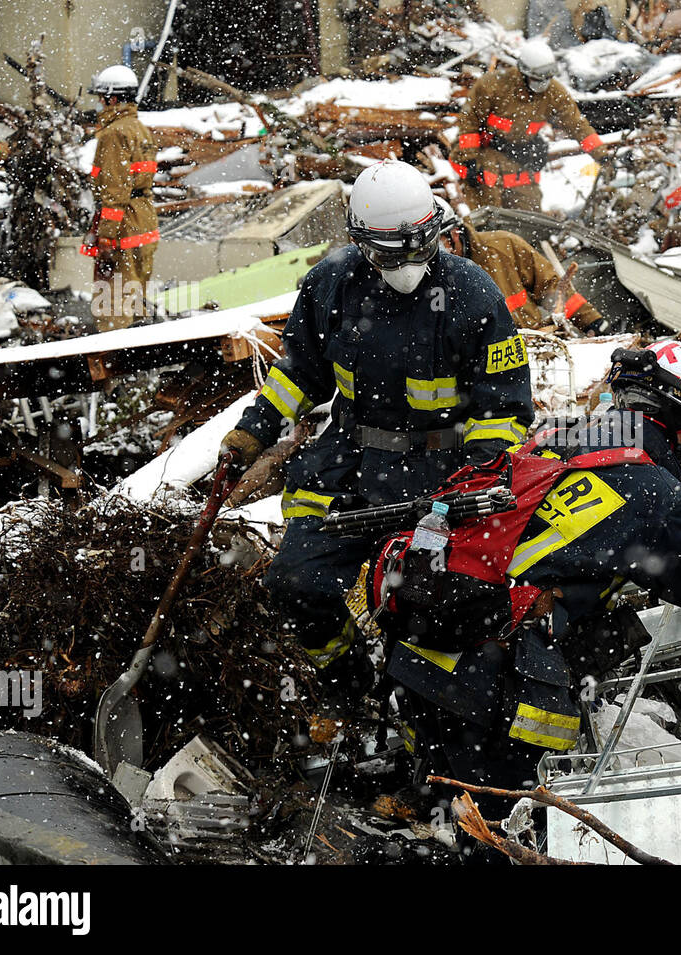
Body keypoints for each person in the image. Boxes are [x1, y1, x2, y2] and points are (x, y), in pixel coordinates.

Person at [375, 340, 681, 795]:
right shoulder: (647, 490)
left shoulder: (563, 437)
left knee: (444, 802)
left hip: (425, 648)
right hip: (483, 682)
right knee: (504, 817)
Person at [219, 160, 534, 691]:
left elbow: (502, 409)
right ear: (361, 241)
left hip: (441, 469)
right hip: (347, 463)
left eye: (421, 245)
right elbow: (298, 374)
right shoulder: (332, 286)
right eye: (392, 253)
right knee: (296, 587)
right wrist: (254, 430)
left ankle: (410, 700)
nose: (409, 264)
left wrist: (474, 481)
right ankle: (350, 689)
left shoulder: (473, 294)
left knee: (422, 601)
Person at [449, 39, 609, 213]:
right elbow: (469, 123)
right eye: (537, 79)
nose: (543, 84)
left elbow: (577, 125)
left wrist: (601, 155)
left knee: (529, 213)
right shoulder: (493, 86)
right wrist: (470, 159)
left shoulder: (553, 92)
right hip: (483, 153)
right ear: (523, 72)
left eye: (547, 78)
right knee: (488, 210)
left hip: (518, 156)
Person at [435, 197, 607, 334]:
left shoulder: (502, 246)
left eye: (438, 243)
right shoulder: (426, 276)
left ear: (454, 233)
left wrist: (591, 321)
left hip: (532, 347)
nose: (432, 253)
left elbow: (550, 287)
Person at [79, 65, 159, 331]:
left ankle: (115, 360)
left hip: (122, 224)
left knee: (112, 304)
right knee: (135, 296)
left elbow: (115, 188)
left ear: (113, 98)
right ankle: (139, 360)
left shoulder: (114, 133)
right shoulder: (140, 129)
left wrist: (106, 235)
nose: (100, 104)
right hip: (143, 219)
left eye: (102, 98)